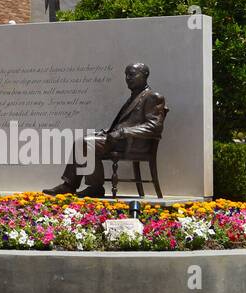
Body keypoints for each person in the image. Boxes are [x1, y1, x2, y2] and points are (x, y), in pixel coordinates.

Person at [44, 62, 166, 198]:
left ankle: (93, 187)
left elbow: (154, 126)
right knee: (81, 142)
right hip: (118, 139)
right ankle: (70, 185)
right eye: (126, 75)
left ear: (145, 75)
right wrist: (106, 131)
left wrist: (122, 132)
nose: (127, 78)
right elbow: (125, 122)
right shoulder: (134, 97)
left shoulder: (153, 97)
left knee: (85, 143)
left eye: (131, 74)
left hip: (132, 143)